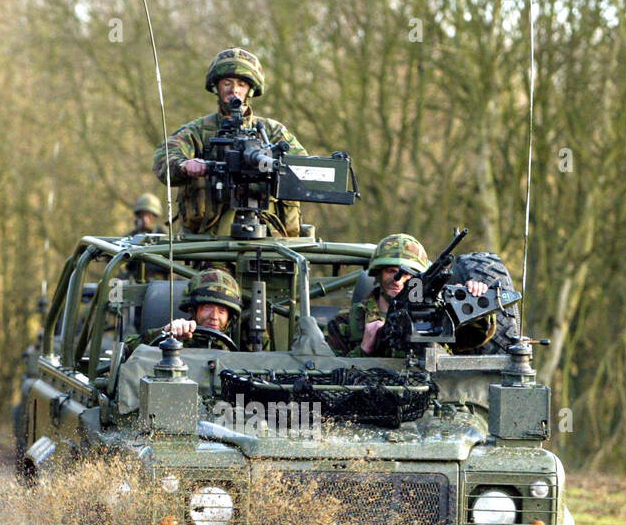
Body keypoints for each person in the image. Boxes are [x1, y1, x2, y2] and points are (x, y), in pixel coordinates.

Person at [152, 48, 306, 237]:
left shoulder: (272, 132)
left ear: (250, 90)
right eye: (227, 83)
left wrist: (274, 168)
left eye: (241, 84)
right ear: (217, 87)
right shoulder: (199, 132)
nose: (234, 90)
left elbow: (304, 167)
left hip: (271, 241)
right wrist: (185, 165)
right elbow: (164, 157)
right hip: (210, 242)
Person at [327, 233, 488, 357]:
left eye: (407, 275)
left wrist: (471, 300)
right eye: (391, 271)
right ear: (378, 273)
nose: (397, 281)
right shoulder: (346, 323)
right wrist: (364, 349)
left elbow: (476, 336)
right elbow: (329, 379)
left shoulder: (437, 315)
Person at [123, 268, 242, 353]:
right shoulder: (177, 338)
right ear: (193, 310)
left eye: (221, 310)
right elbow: (127, 349)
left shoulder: (240, 341)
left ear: (229, 316)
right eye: (208, 307)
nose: (214, 316)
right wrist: (165, 334)